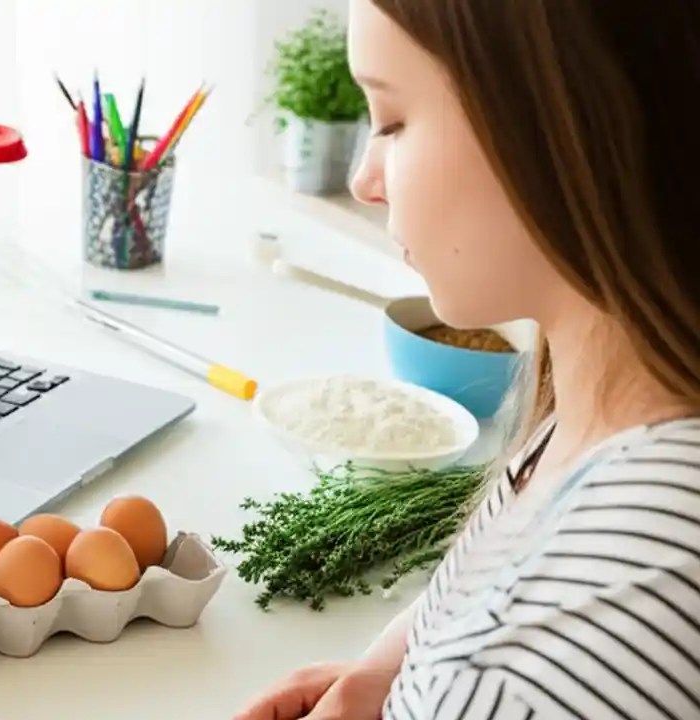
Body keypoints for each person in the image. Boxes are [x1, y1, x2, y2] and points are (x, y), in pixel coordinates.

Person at [237, 1, 700, 718]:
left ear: (556, 125)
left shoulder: (535, 656)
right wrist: (397, 673)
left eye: (391, 121)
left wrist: (454, 689)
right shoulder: (601, 413)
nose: (366, 177)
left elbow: (510, 664)